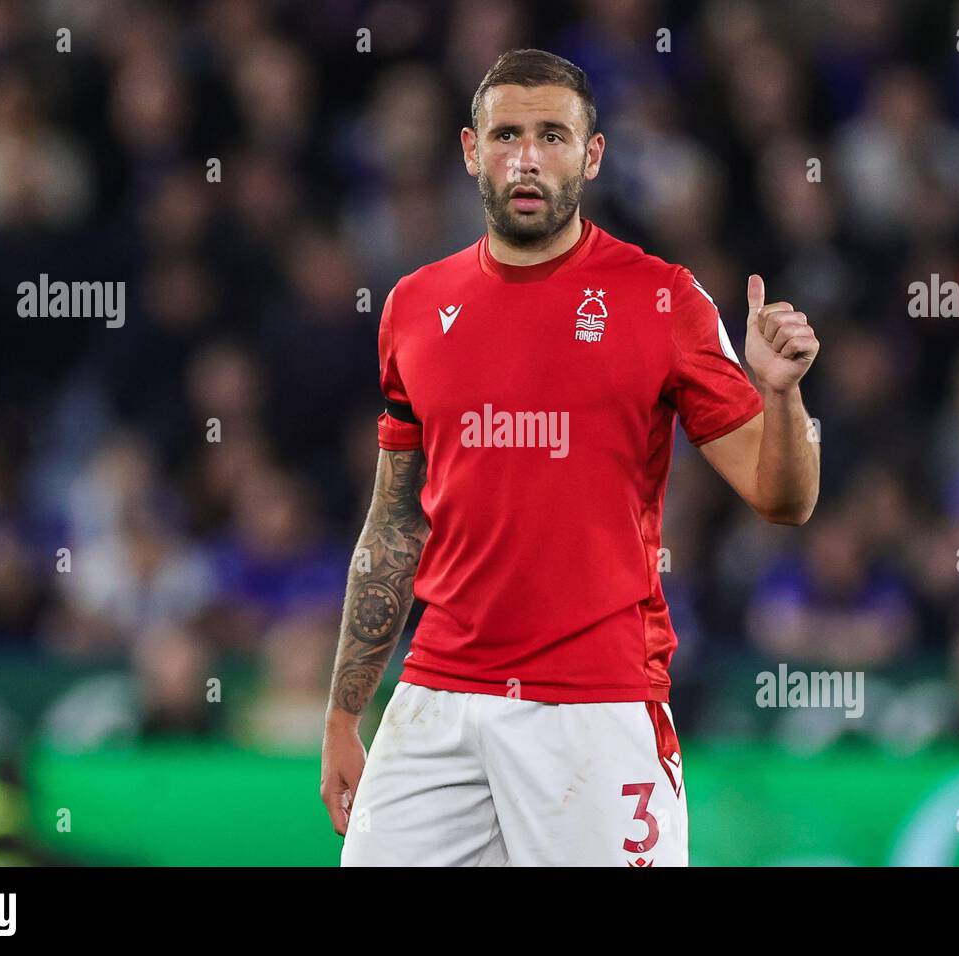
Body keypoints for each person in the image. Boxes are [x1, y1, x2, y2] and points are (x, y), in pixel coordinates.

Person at [320, 49, 820, 866]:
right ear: (470, 151)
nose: (526, 156)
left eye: (552, 135)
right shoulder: (413, 306)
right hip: (436, 696)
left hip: (594, 705)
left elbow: (785, 500)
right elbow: (395, 519)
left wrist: (783, 395)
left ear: (591, 155)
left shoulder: (664, 300)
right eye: (506, 134)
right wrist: (345, 712)